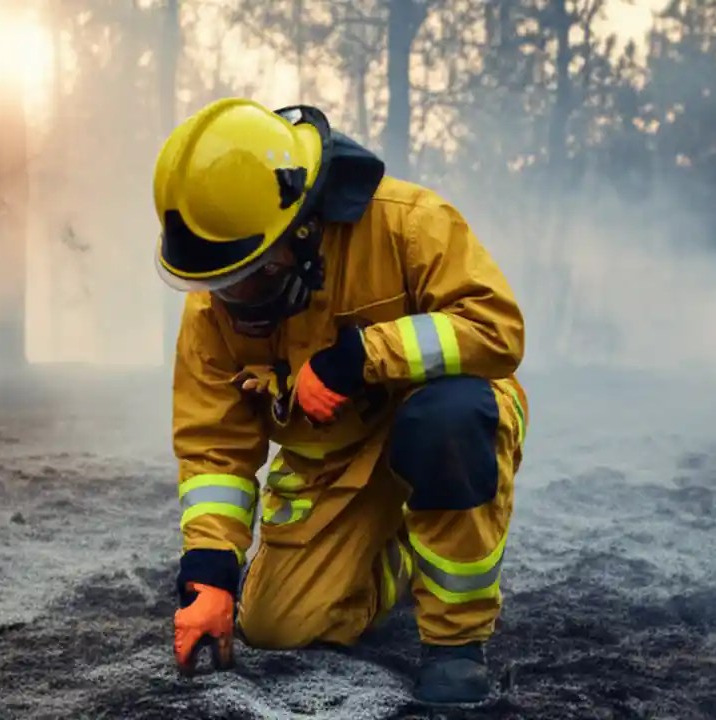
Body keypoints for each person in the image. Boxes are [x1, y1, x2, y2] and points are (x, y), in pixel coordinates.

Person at [153, 97, 528, 707]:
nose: (229, 297)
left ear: (299, 227)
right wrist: (210, 574)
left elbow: (496, 328)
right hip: (335, 461)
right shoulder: (214, 303)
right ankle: (402, 560)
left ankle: (455, 646)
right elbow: (213, 447)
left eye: (249, 274)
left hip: (445, 424)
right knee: (275, 628)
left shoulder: (409, 222)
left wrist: (359, 357)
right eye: (218, 281)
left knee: (450, 420)